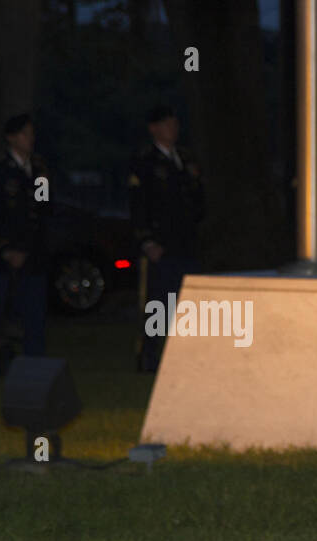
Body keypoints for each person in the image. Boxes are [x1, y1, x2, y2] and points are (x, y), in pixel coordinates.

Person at [129, 105, 204, 372]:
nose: (173, 129)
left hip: (185, 244)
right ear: (154, 128)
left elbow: (196, 202)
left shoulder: (185, 159)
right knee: (157, 303)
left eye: (175, 124)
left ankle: (181, 354)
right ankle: (148, 354)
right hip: (160, 245)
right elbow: (138, 205)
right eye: (167, 124)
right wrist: (146, 240)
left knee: (186, 302)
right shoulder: (146, 162)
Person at [0, 113, 51, 367]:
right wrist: (6, 249)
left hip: (33, 256)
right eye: (25, 134)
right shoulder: (0, 173)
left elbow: (43, 209)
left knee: (35, 316)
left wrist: (32, 247)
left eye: (31, 134)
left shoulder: (39, 171)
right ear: (11, 138)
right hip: (4, 258)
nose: (30, 139)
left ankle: (34, 366)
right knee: (1, 313)